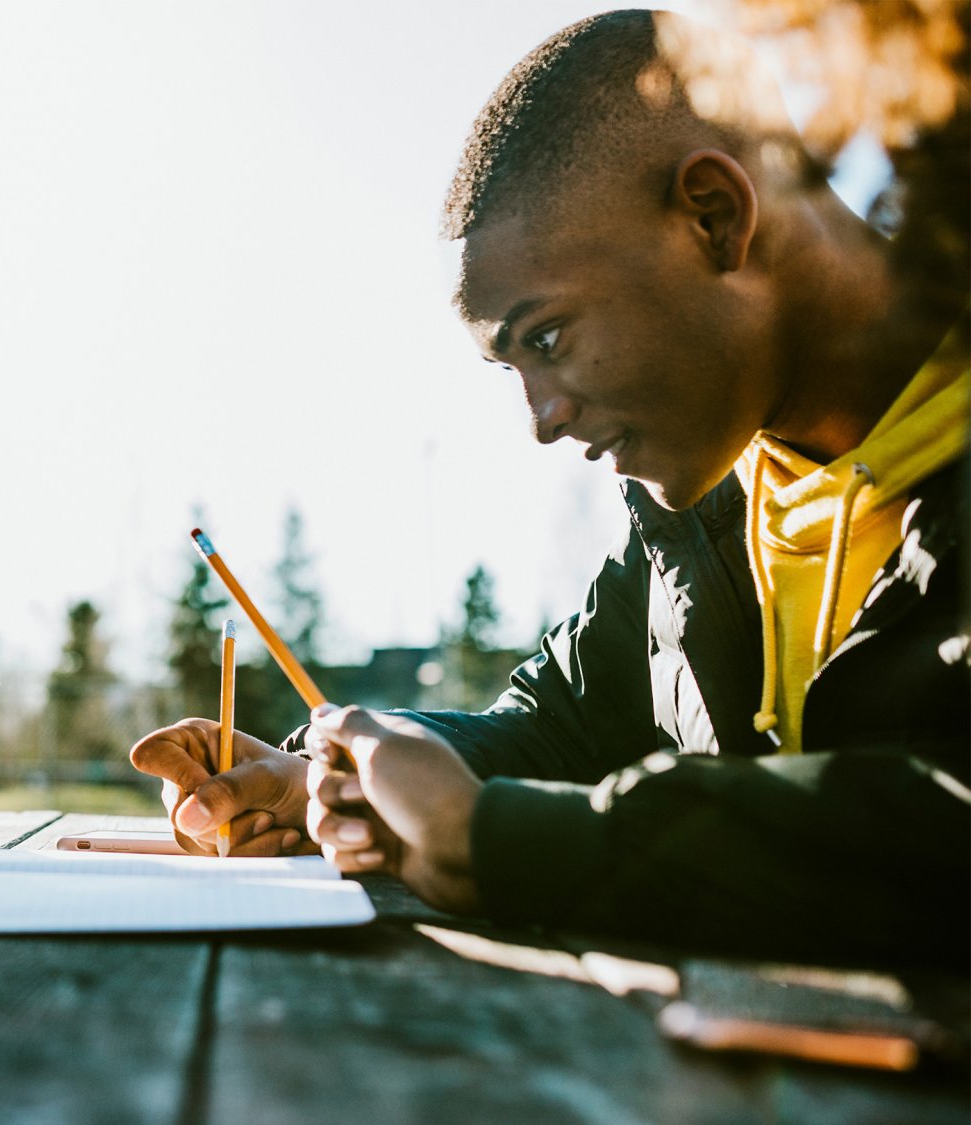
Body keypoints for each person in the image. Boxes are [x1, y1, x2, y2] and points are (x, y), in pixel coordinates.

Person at [130, 9, 968, 965]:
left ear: (715, 217)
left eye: (550, 338)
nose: (542, 418)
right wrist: (339, 775)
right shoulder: (702, 518)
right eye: (511, 369)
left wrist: (504, 847)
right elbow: (554, 733)